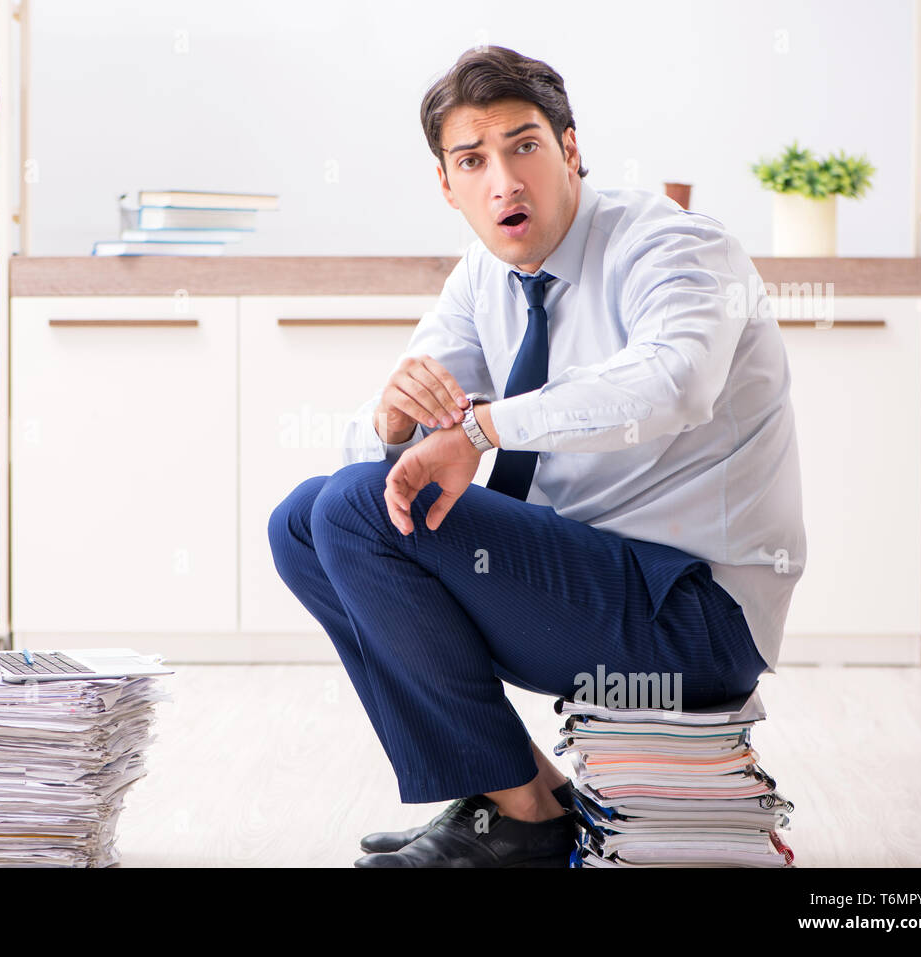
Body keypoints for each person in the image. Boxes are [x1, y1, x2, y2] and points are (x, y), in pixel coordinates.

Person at [268, 45, 805, 868]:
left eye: (524, 146)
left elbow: (675, 383)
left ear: (571, 150)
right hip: (586, 597)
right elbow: (388, 460)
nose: (504, 183)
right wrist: (393, 422)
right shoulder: (485, 275)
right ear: (447, 185)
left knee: (346, 510)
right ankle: (520, 795)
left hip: (695, 617)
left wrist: (480, 430)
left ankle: (520, 819)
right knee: (303, 520)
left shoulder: (675, 246)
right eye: (473, 160)